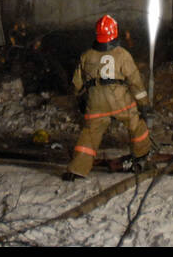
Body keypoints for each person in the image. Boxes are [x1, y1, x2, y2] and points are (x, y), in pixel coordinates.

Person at [63, 15, 152, 181]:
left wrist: (81, 100)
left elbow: (76, 83)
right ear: (115, 33)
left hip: (95, 103)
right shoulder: (122, 54)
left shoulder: (86, 56)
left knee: (89, 134)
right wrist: (144, 105)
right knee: (135, 124)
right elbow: (135, 82)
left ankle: (77, 169)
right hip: (120, 102)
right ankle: (141, 156)